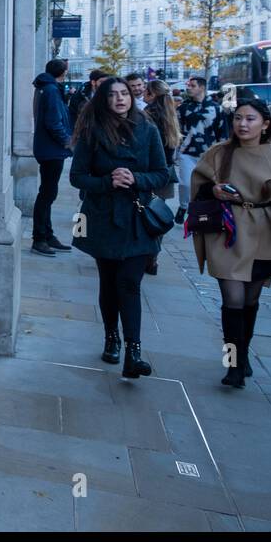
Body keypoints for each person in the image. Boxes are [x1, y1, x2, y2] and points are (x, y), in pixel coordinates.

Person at [70, 77, 170, 379]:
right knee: (109, 281)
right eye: (112, 95)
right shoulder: (92, 131)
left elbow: (162, 173)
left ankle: (134, 352)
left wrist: (136, 179)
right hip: (103, 217)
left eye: (124, 93)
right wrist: (107, 181)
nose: (120, 99)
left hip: (138, 217)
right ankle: (111, 337)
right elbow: (77, 176)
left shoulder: (148, 129)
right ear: (103, 100)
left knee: (129, 282)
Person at [189, 94, 271, 388]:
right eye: (238, 118)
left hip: (265, 234)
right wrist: (213, 191)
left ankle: (243, 354)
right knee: (233, 299)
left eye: (250, 119)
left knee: (251, 301)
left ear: (265, 124)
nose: (243, 124)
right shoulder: (219, 152)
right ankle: (233, 364)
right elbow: (198, 185)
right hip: (228, 233)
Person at [31, 59, 73, 256]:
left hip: (49, 148)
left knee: (48, 194)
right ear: (63, 72)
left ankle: (47, 235)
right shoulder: (51, 90)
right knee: (47, 195)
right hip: (51, 149)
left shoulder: (46, 88)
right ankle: (40, 238)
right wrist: (66, 141)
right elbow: (53, 121)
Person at [140, 79, 182, 276]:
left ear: (152, 94)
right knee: (157, 215)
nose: (142, 93)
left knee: (144, 215)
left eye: (145, 91)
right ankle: (153, 258)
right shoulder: (170, 113)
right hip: (166, 171)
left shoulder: (148, 115)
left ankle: (144, 256)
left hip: (149, 172)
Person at [175, 76, 222, 224]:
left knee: (206, 186)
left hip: (209, 154)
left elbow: (222, 131)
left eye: (192, 85)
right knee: (185, 184)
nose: (188, 88)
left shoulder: (216, 108)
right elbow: (176, 130)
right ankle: (183, 206)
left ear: (202, 87)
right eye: (188, 85)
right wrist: (175, 150)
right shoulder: (183, 108)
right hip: (187, 152)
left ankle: (198, 213)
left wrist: (223, 154)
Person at [69, 69, 109, 136]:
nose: (105, 85)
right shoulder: (78, 98)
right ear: (93, 82)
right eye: (102, 82)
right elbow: (72, 119)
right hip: (84, 135)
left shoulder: (110, 96)